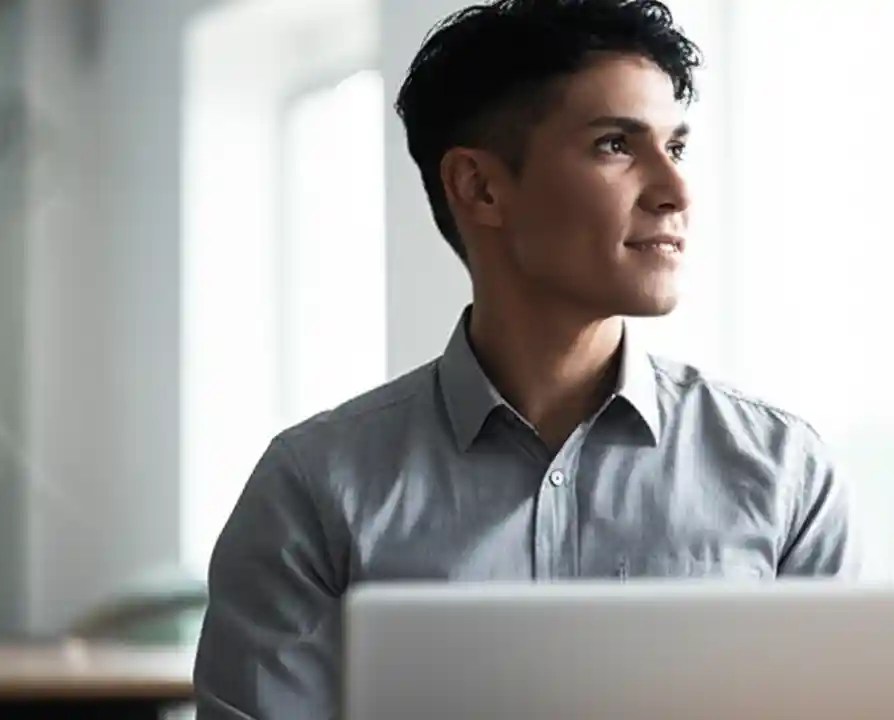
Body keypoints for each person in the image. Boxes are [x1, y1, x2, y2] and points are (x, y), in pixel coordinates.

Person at [193, 0, 858, 716]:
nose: (675, 191)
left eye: (679, 147)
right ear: (479, 187)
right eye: (615, 145)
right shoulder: (314, 493)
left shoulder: (784, 473)